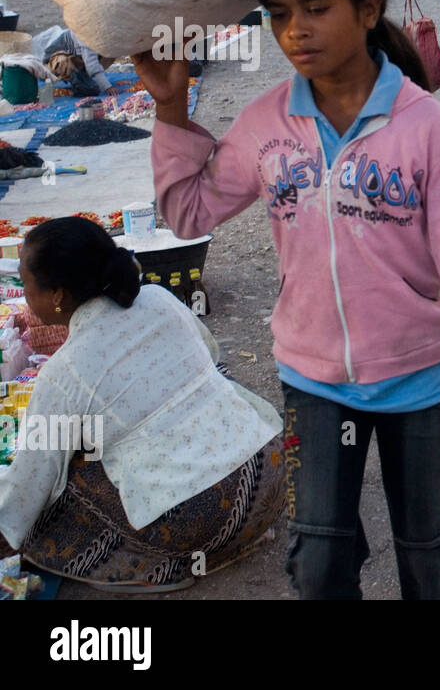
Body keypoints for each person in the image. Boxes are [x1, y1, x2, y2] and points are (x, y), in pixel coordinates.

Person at [134, 0, 440, 600]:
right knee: (317, 564)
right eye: (280, 15)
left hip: (423, 383)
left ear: (368, 10)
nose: (296, 31)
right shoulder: (267, 125)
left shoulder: (426, 126)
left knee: (432, 558)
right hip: (314, 381)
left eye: (316, 9)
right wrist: (172, 107)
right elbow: (188, 213)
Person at [1, 218, 284, 591]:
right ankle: (246, 533)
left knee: (62, 492)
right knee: (210, 381)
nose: (25, 292)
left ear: (57, 295)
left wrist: (11, 530)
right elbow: (212, 360)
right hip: (270, 473)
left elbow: (28, 483)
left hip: (202, 518)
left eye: (26, 283)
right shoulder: (158, 298)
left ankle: (165, 568)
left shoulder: (63, 372)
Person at [42, 28, 113, 96]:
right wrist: (107, 87)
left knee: (111, 52)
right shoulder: (86, 36)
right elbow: (91, 63)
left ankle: (84, 75)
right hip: (53, 65)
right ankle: (77, 81)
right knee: (65, 62)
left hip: (78, 58)